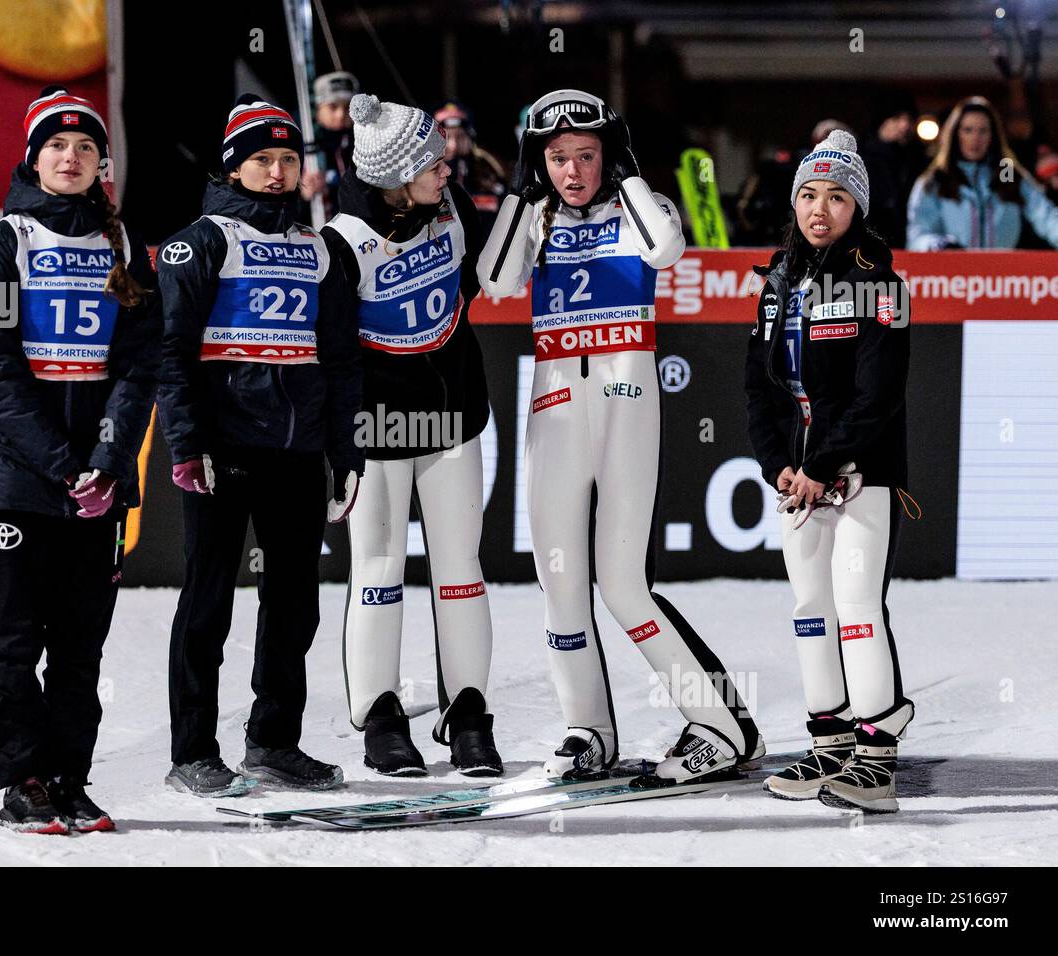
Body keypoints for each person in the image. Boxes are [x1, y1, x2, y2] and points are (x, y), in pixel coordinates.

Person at [478, 89, 763, 782]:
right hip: (553, 399)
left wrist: (627, 168)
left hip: (626, 395)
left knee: (624, 584)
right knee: (559, 581)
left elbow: (667, 249)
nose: (572, 171)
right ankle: (587, 729)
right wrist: (521, 191)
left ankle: (723, 726)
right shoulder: (536, 216)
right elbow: (490, 281)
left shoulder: (644, 207)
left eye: (586, 155)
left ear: (610, 155)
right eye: (555, 159)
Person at [0, 86, 161, 834]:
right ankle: (23, 781)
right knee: (16, 641)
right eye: (55, 147)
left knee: (81, 645)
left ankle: (70, 778)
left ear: (101, 161)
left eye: (83, 148)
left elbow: (141, 364)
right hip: (19, 481)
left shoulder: (125, 244)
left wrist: (107, 459)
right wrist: (61, 464)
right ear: (33, 158)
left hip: (98, 484)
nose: (69, 158)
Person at [158, 94, 363, 795]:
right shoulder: (202, 240)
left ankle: (273, 743)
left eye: (287, 159)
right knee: (208, 602)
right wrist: (186, 446)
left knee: (294, 604)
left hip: (298, 452)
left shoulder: (320, 247)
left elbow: (339, 360)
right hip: (223, 451)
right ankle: (192, 751)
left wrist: (346, 453)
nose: (277, 172)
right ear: (233, 167)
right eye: (261, 160)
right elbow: (172, 353)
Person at [322, 93, 501, 778]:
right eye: (431, 162)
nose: (447, 168)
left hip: (451, 422)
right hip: (377, 429)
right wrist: (338, 448)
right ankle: (381, 716)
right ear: (394, 176)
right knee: (378, 573)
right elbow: (332, 354)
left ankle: (470, 714)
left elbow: (482, 280)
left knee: (461, 570)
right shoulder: (343, 241)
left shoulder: (452, 210)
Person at [745, 129, 916, 813]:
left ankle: (878, 755)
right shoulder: (773, 284)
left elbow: (880, 395)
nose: (821, 208)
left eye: (838, 196)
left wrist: (822, 464)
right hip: (802, 483)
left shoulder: (883, 284)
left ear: (858, 208)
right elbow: (760, 390)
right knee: (809, 611)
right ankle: (830, 743)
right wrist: (779, 467)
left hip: (863, 474)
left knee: (854, 608)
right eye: (810, 194)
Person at [907, 95, 1058, 250]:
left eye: (983, 131)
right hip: (952, 271)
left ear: (992, 136)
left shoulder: (1008, 174)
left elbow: (1045, 215)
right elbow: (918, 233)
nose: (975, 138)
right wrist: (937, 245)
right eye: (968, 130)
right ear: (955, 134)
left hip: (1003, 271)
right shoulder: (936, 179)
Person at [861, 92, 924, 248]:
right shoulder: (860, 160)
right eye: (897, 119)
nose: (905, 125)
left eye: (909, 119)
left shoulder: (919, 160)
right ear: (882, 121)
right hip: (871, 249)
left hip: (910, 247)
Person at [433, 100, 507, 234]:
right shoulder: (424, 175)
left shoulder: (489, 170)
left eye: (461, 137)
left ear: (470, 139)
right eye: (446, 138)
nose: (453, 146)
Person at [300, 70, 359, 221]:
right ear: (317, 108)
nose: (340, 114)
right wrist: (302, 195)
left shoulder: (363, 142)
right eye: (333, 107)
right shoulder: (301, 147)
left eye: (347, 108)